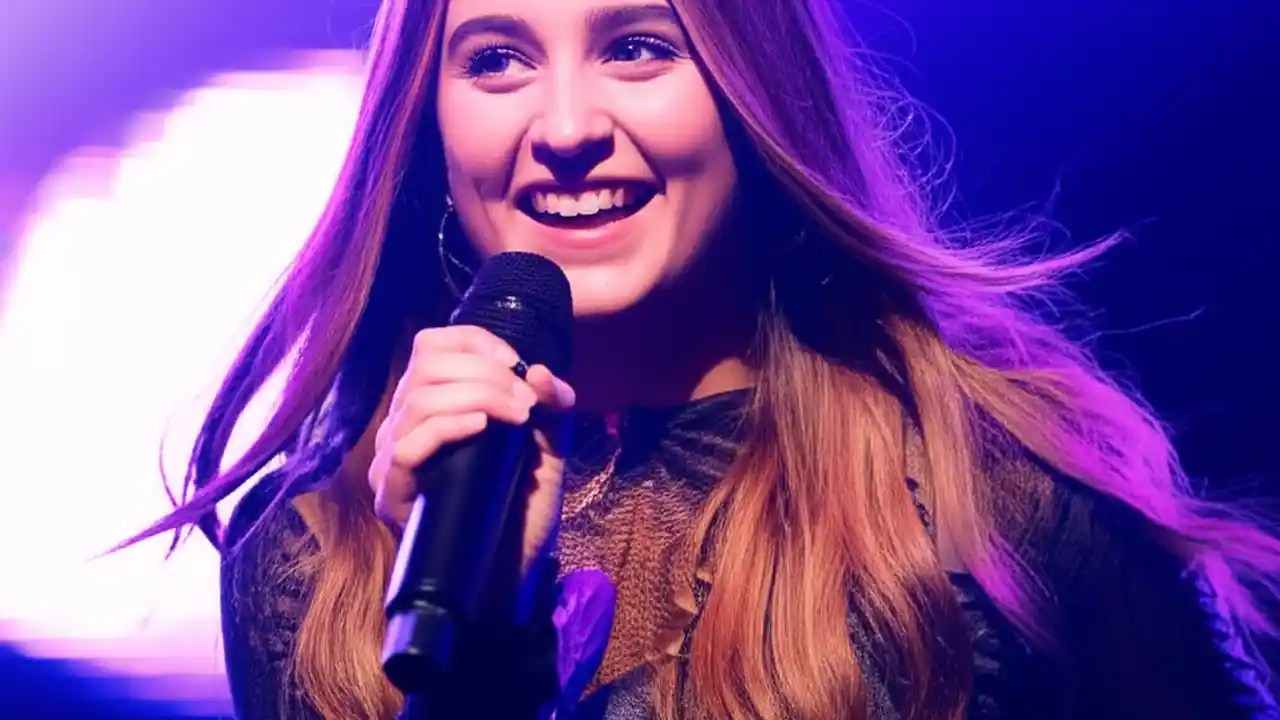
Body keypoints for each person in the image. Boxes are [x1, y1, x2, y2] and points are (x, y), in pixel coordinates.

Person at [120, 0, 1280, 717]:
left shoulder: (1000, 494)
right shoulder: (312, 554)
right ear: (426, 123)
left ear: (752, 87)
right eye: (497, 60)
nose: (564, 129)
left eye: (636, 47)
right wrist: (471, 672)